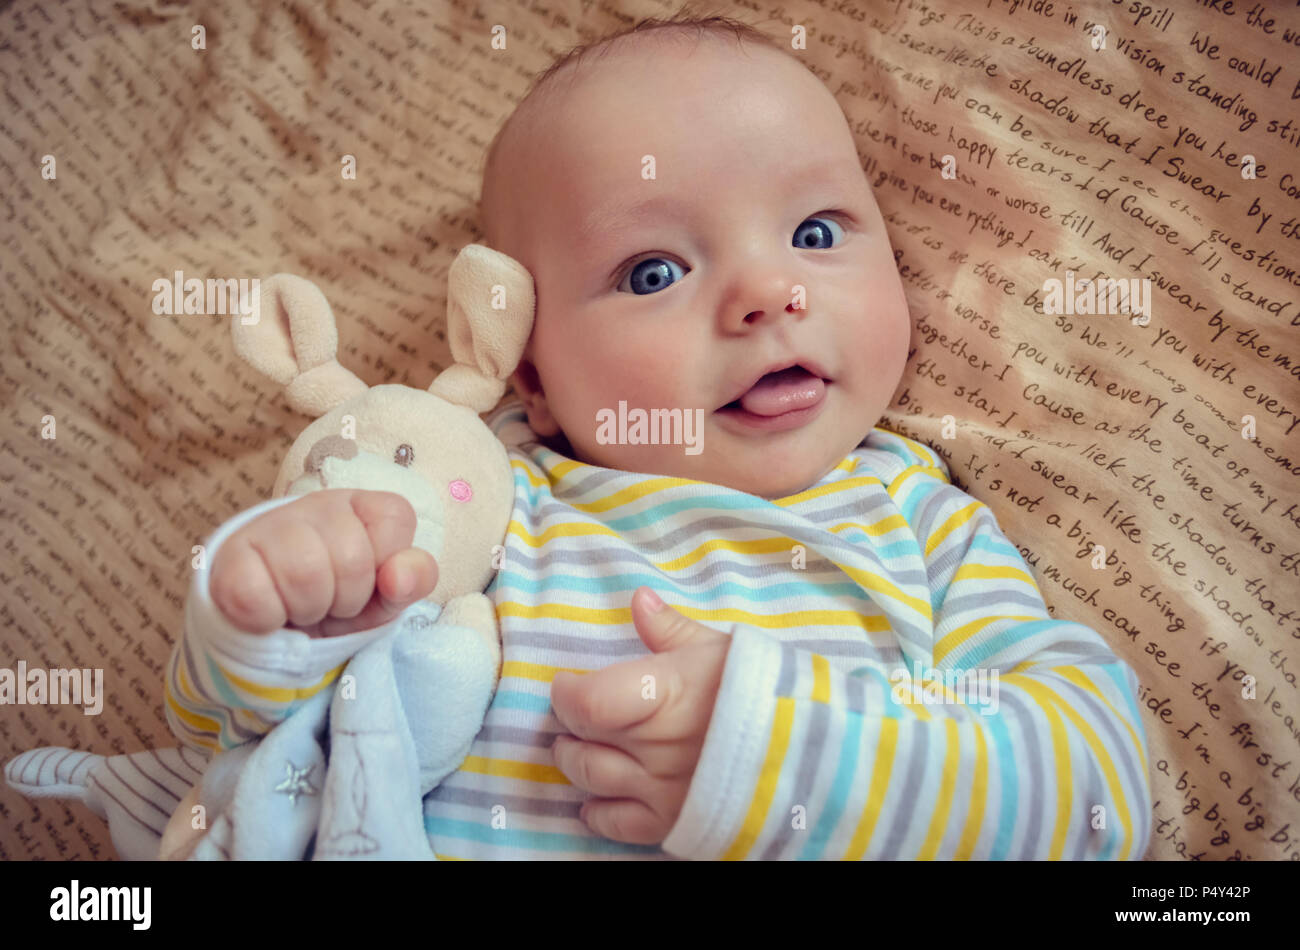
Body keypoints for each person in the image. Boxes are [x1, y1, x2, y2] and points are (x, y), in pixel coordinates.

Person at [168, 12, 1152, 860]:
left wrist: (775, 759)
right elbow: (229, 729)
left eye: (814, 232)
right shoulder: (488, 504)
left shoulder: (918, 524)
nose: (770, 293)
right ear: (533, 373)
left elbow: (1101, 783)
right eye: (652, 271)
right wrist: (272, 612)